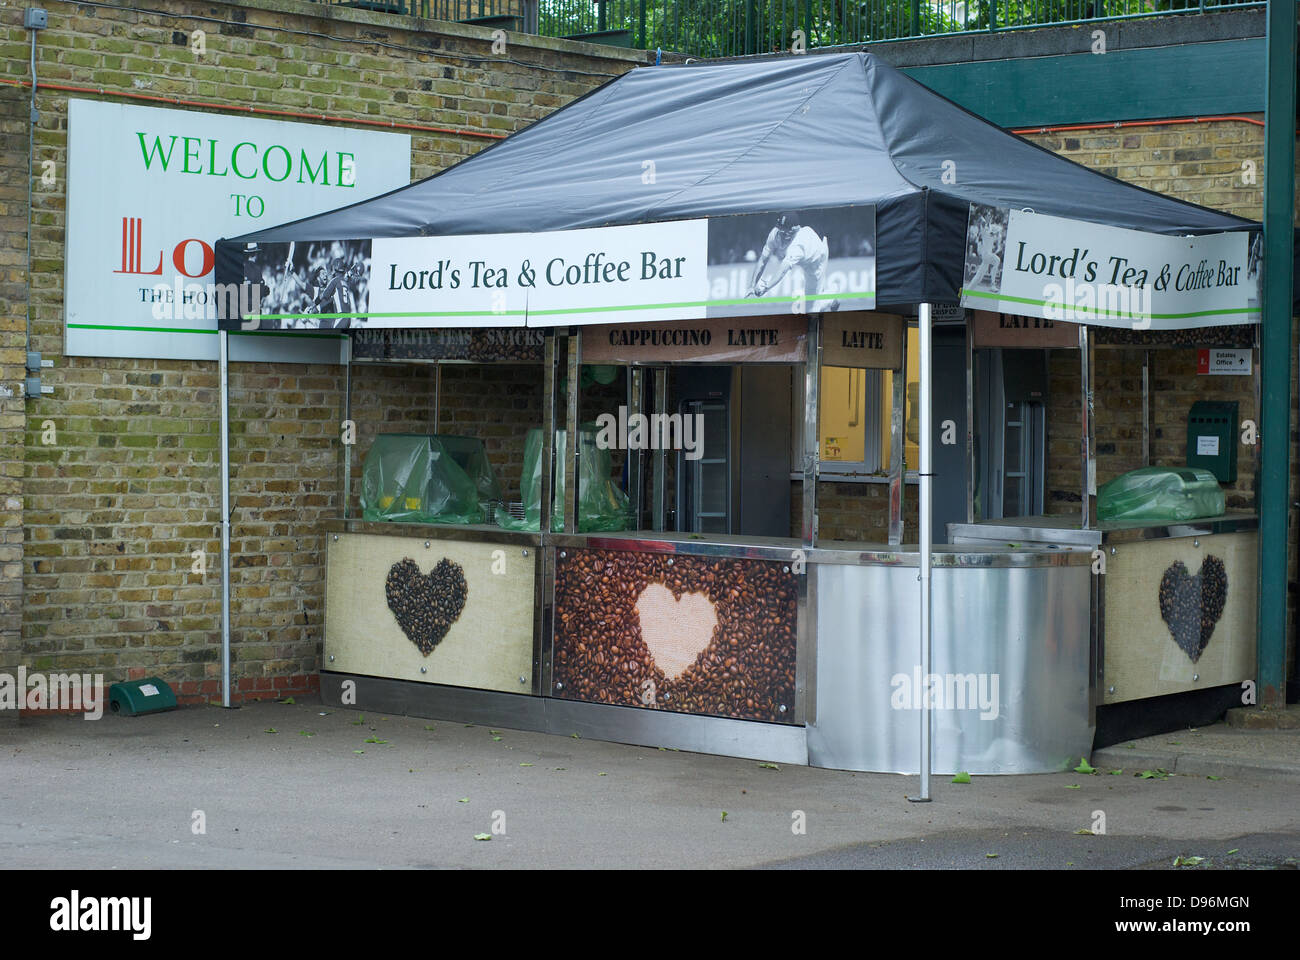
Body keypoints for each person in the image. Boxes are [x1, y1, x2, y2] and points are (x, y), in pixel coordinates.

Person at [748, 213, 841, 312]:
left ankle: (833, 294)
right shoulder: (775, 233)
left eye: (785, 232)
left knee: (812, 310)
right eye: (780, 230)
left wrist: (766, 287)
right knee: (814, 306)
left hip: (816, 261)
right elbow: (763, 260)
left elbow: (782, 270)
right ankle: (831, 294)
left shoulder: (797, 246)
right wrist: (752, 285)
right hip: (808, 258)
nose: (781, 235)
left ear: (794, 231)